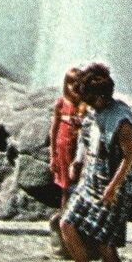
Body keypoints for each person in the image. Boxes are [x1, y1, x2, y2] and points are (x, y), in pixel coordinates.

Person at [59, 62, 132, 262]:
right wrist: (77, 161)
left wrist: (113, 188)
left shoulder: (122, 119)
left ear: (103, 95)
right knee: (67, 224)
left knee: (106, 242)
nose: (89, 104)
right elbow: (85, 139)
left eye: (92, 98)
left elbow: (129, 157)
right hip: (90, 179)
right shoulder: (93, 111)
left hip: (114, 184)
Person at [48, 67, 84, 204]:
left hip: (78, 149)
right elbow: (54, 130)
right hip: (63, 149)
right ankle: (63, 216)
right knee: (66, 186)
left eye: (77, 83)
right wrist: (52, 155)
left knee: (79, 183)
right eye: (70, 83)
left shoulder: (84, 105)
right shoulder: (61, 103)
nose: (73, 87)